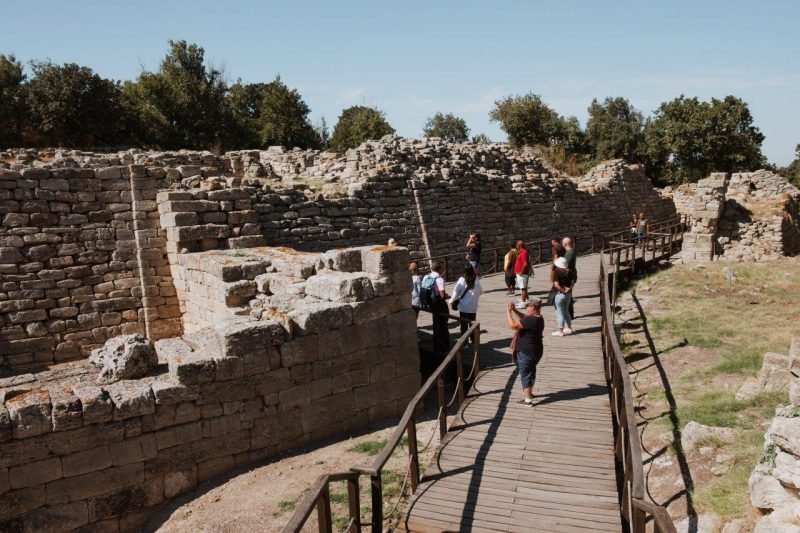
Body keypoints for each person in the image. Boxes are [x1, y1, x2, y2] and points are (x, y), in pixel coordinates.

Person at [507, 298, 545, 405]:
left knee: (525, 374)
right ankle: (530, 393)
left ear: (533, 307)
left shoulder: (531, 320)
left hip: (526, 352)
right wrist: (515, 311)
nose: (526, 307)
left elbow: (513, 325)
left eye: (527, 305)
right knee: (531, 371)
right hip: (535, 351)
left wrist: (508, 312)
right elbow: (524, 318)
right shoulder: (538, 318)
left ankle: (528, 399)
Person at [449, 266, 482, 342]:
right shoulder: (476, 279)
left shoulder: (462, 279)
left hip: (463, 307)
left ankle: (464, 343)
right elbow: (480, 291)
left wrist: (451, 301)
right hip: (473, 306)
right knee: (472, 324)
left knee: (464, 326)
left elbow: (456, 292)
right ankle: (473, 341)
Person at [426, 261, 449, 357]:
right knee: (443, 325)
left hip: (431, 304)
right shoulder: (439, 279)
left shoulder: (426, 277)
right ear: (440, 269)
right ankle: (445, 347)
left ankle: (436, 346)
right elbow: (442, 295)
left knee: (436, 325)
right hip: (439, 304)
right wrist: (447, 296)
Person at [551, 257, 574, 336]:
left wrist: (562, 291)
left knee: (560, 313)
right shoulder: (569, 271)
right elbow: (572, 283)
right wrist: (568, 289)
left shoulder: (557, 272)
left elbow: (556, 285)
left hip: (559, 294)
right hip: (568, 294)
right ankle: (569, 328)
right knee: (566, 311)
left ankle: (560, 331)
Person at [562, 237, 577, 320]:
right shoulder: (569, 252)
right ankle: (570, 314)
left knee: (568, 294)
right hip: (570, 274)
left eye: (562, 243)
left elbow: (565, 264)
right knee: (569, 294)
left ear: (565, 244)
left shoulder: (570, 252)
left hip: (570, 275)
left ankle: (570, 314)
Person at [513, 239, 530, 307]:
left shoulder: (524, 253)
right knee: (522, 288)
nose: (516, 246)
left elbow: (525, 263)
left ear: (519, 245)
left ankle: (523, 303)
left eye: (517, 245)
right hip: (520, 273)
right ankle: (525, 300)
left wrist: (521, 272)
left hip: (522, 274)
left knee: (523, 288)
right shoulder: (522, 252)